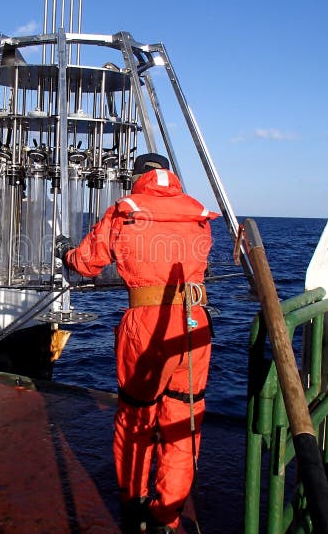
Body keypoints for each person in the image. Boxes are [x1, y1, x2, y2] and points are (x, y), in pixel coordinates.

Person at [55, 153, 218, 534]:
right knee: (184, 418)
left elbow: (87, 263)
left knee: (136, 419)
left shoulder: (124, 211)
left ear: (137, 178)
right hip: (196, 325)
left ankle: (134, 506)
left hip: (147, 327)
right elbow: (199, 265)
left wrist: (66, 251)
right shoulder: (196, 213)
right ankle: (168, 516)